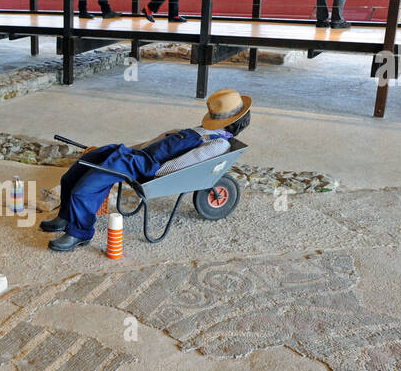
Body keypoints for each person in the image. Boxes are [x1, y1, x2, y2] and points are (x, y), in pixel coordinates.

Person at [42, 89, 252, 251]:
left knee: (88, 186)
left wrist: (153, 177)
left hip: (151, 168)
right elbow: (164, 138)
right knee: (81, 166)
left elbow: (185, 164)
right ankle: (67, 216)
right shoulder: (205, 129)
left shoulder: (219, 144)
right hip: (140, 157)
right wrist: (135, 149)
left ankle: (80, 232)